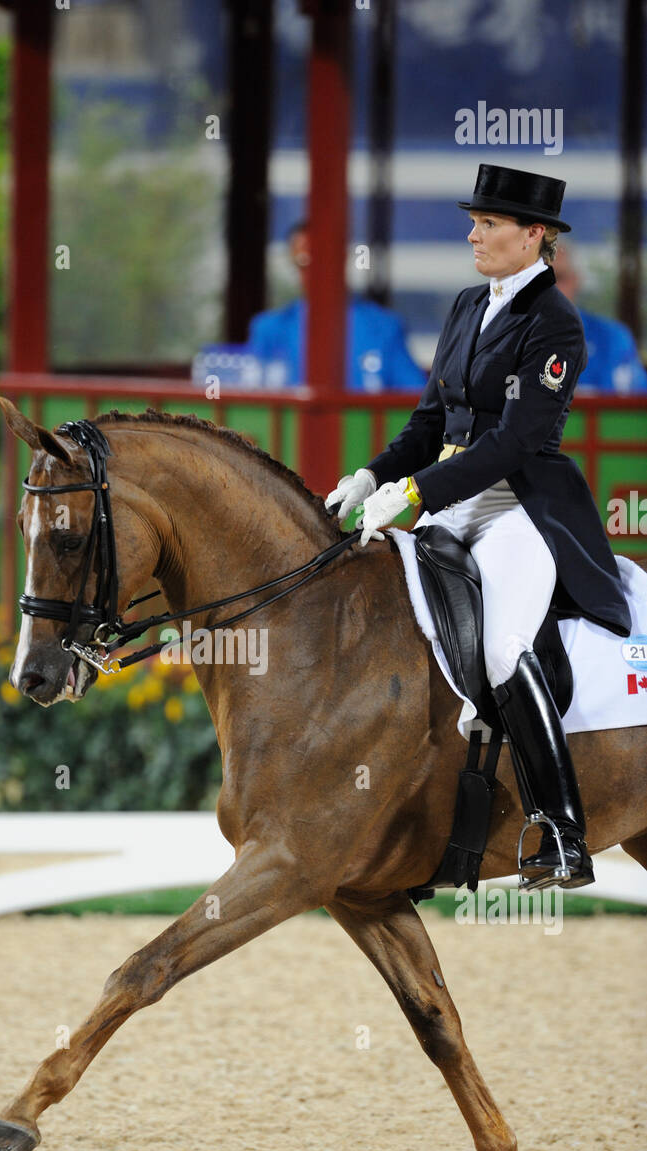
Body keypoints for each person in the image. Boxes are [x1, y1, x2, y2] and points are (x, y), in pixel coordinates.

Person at [327, 164, 631, 890]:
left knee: (500, 647)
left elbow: (515, 442)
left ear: (534, 237)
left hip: (518, 508)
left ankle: (559, 830)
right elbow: (430, 420)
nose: (473, 235)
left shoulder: (554, 323)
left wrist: (414, 492)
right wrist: (370, 476)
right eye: (474, 222)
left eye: (488, 225)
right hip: (448, 499)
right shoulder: (468, 305)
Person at [246, 221, 426, 391]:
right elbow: (252, 399)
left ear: (343, 258)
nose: (316, 270)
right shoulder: (270, 329)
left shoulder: (384, 327)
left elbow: (416, 400)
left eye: (324, 260)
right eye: (303, 262)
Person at [553, 243, 647, 393]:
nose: (550, 287)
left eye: (559, 278)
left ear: (575, 280)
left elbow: (637, 406)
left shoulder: (613, 338)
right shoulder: (510, 336)